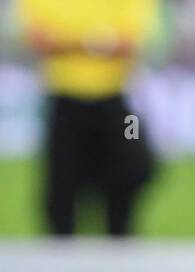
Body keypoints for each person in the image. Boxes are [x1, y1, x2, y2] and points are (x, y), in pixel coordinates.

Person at [17, 0, 160, 236]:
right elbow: (40, 41)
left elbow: (129, 44)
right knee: (62, 186)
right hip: (64, 103)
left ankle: (121, 241)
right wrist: (100, 42)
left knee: (133, 166)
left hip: (118, 103)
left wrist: (70, 43)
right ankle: (61, 256)